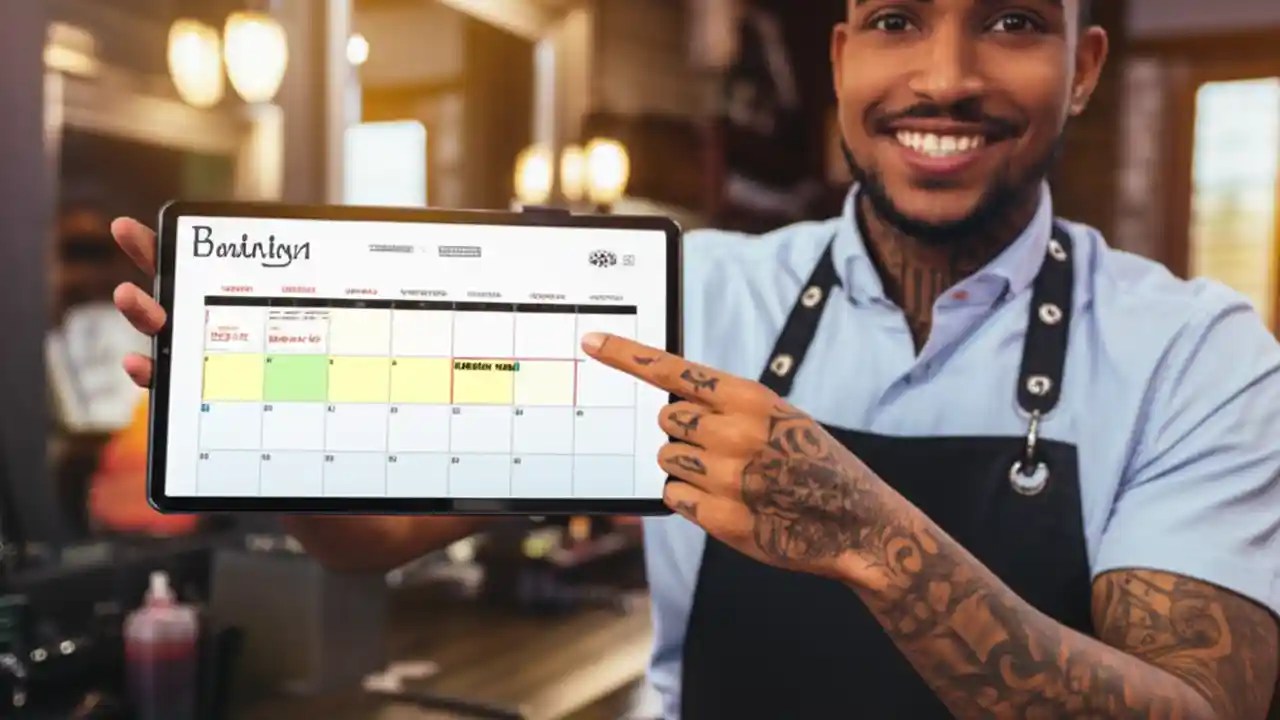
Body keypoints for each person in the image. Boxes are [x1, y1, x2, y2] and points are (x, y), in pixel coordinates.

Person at [111, 0, 1280, 717]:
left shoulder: (1194, 355)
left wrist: (871, 536)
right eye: (894, 21)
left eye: (1012, 21)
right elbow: (374, 539)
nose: (943, 75)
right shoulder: (687, 292)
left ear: (1080, 69)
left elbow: (1195, 710)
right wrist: (260, 418)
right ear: (837, 62)